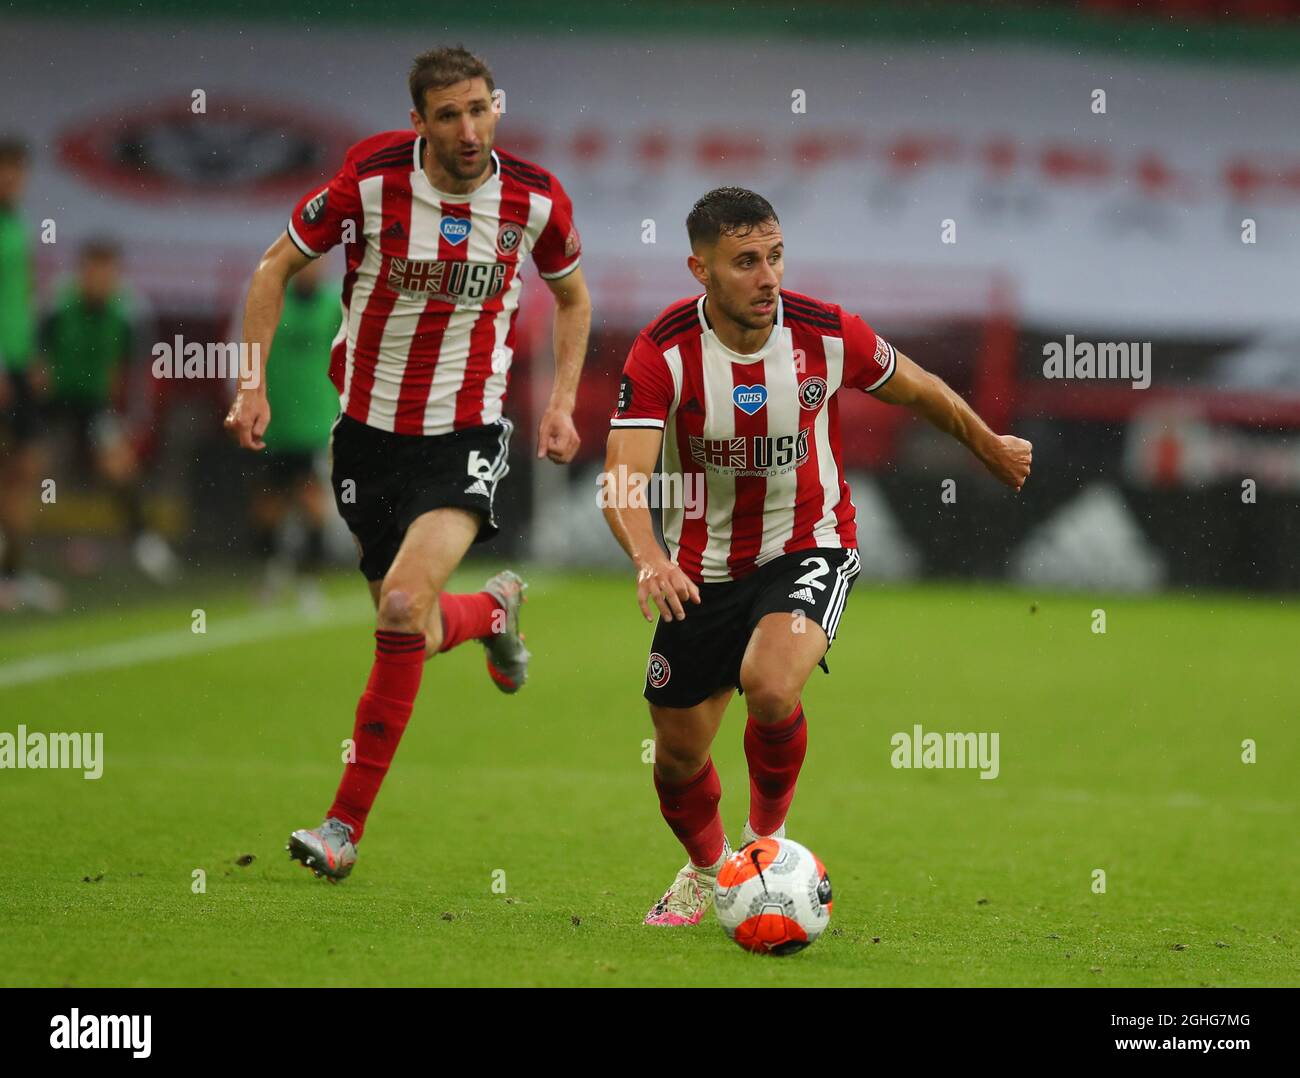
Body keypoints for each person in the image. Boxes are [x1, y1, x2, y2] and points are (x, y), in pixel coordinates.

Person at [601, 187, 1032, 926]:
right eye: (745, 262)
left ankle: (764, 840)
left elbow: (921, 389)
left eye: (773, 256)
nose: (767, 276)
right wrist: (648, 556)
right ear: (700, 269)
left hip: (810, 543)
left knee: (769, 686)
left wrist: (985, 443)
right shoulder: (663, 349)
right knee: (675, 754)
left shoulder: (826, 332)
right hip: (701, 567)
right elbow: (621, 476)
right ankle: (713, 874)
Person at [224, 46, 591, 882]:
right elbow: (274, 268)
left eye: (481, 109)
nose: (470, 129)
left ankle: (343, 827)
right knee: (414, 630)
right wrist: (251, 385)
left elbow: (573, 296)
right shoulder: (368, 181)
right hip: (364, 435)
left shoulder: (534, 198)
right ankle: (492, 616)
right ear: (419, 121)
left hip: (464, 433)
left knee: (396, 606)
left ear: (497, 106)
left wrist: (563, 401)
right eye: (450, 114)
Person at [43, 239, 180, 584]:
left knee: (119, 466)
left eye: (106, 272)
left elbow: (136, 375)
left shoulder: (130, 312)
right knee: (24, 464)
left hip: (95, 405)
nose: (99, 279)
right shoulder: (56, 304)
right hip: (52, 401)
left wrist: (133, 421)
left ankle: (142, 541)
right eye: (92, 271)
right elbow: (34, 354)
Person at [241, 254, 343, 609]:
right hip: (274, 421)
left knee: (313, 505)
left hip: (316, 423)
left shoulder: (336, 306)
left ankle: (308, 582)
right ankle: (269, 574)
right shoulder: (268, 299)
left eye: (319, 262)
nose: (312, 268)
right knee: (268, 507)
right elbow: (246, 351)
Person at [0, 137, 63, 612]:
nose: (12, 180)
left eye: (18, 171)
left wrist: (31, 356)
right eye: (6, 170)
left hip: (18, 366)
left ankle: (13, 574)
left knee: (24, 469)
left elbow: (19, 298)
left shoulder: (17, 222)